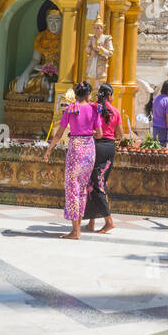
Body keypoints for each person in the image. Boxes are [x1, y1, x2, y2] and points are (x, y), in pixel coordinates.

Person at [44, 81, 102, 239]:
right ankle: (77, 230)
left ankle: (75, 231)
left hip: (76, 148)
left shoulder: (71, 109)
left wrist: (49, 149)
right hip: (89, 148)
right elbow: (100, 134)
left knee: (72, 189)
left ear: (76, 94)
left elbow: (58, 134)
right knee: (82, 189)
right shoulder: (94, 109)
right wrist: (90, 132)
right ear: (88, 94)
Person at [84, 83, 123, 234]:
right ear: (109, 96)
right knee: (98, 183)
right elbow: (119, 134)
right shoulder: (115, 111)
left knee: (94, 184)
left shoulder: (93, 107)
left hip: (95, 145)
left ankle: (109, 221)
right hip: (109, 148)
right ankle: (91, 221)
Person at [147, 80, 168, 147]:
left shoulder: (156, 99)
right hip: (163, 129)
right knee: (162, 151)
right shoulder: (167, 101)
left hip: (155, 128)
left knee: (156, 149)